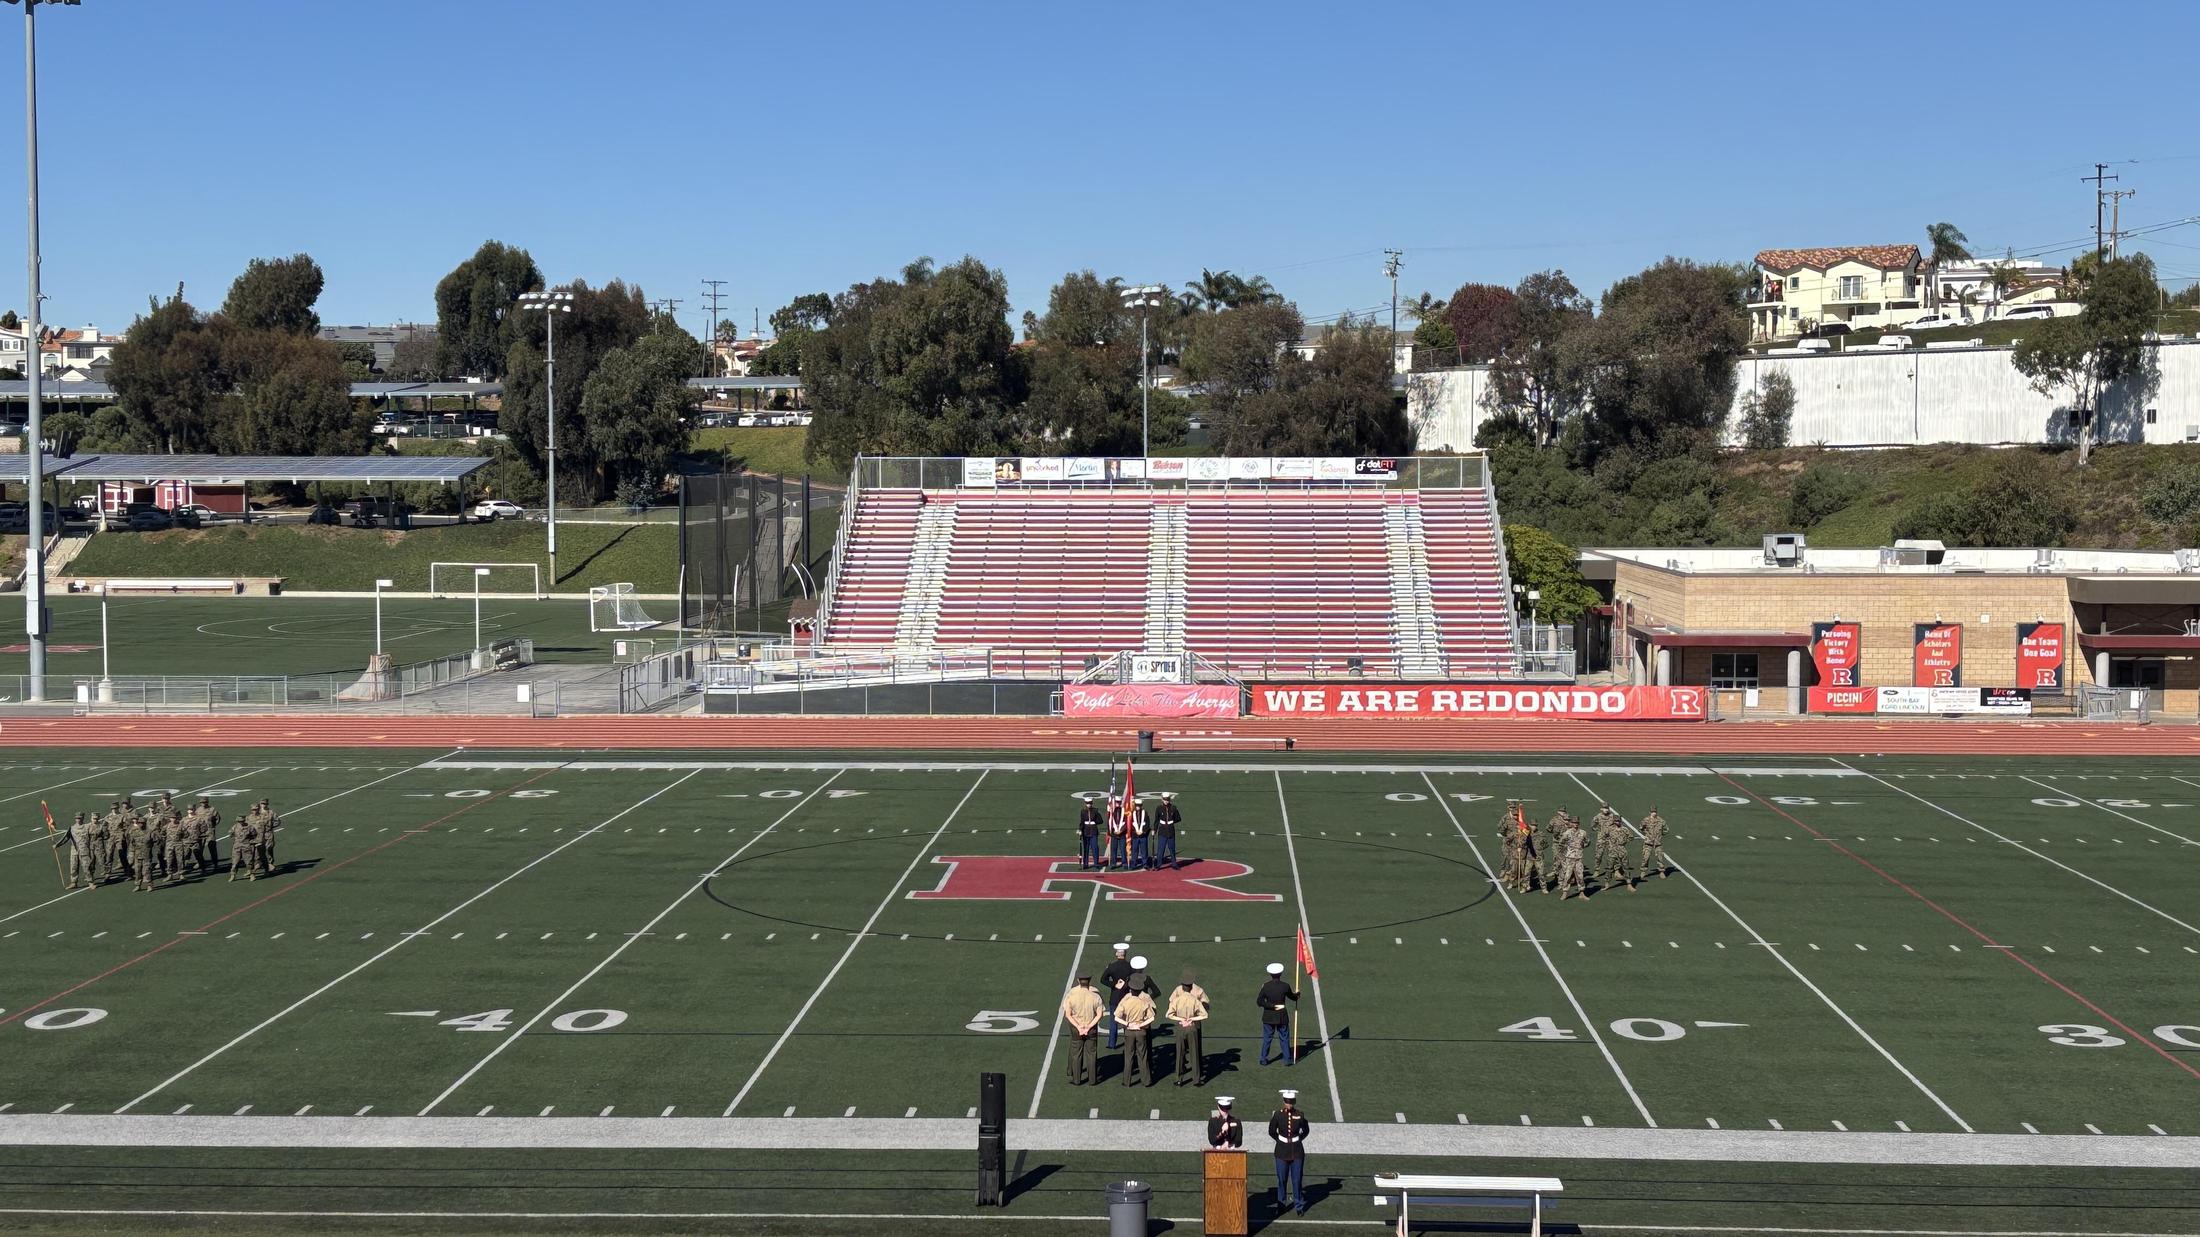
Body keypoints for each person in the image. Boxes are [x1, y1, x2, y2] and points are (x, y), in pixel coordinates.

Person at [1268, 1089, 1311, 1216]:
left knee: (1297, 1180)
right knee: (1282, 1180)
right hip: (1281, 1152)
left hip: (1297, 1152)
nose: (1289, 1104)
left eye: (1291, 1102)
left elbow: (1306, 1130)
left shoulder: (1300, 1114)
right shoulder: (1277, 1115)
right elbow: (1271, 1131)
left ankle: (1298, 1205)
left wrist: (1298, 1140)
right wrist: (1280, 1141)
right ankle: (1281, 1205)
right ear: (1283, 1102)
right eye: (1287, 1102)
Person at [1115, 961, 1158, 1087]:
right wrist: (1142, 1024)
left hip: (1129, 1031)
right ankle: (1146, 1080)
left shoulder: (1126, 999)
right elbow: (1153, 1015)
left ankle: (1126, 1080)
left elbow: (1116, 1016)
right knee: (1143, 1056)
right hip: (1141, 1030)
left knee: (1128, 1056)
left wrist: (1127, 1024)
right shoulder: (1145, 999)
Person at [1059, 973, 1105, 1086]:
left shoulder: (1072, 996)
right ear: (1089, 982)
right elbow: (1099, 1015)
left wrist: (1079, 1026)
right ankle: (1093, 1080)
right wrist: (1089, 1026)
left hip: (1076, 1028)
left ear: (1079, 981)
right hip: (1091, 1028)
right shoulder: (1095, 996)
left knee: (1076, 1054)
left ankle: (1076, 1079)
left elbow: (1068, 1014)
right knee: (1091, 1054)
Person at [1167, 968, 1210, 1086]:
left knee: (1180, 1052)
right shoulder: (1198, 991)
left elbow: (1171, 1002)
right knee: (1195, 1051)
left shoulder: (1177, 991)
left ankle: (1179, 1078)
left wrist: (1181, 1018)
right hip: (1194, 1024)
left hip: (1181, 1024)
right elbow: (1206, 1005)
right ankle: (1197, 1078)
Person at [1256, 962, 1296, 1066]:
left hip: (1268, 1017)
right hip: (1282, 1016)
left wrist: (1271, 1006)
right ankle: (1287, 1059)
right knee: (1284, 1037)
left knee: (1267, 1038)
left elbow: (1259, 1002)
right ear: (1281, 973)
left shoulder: (1266, 986)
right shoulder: (1285, 986)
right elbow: (1293, 997)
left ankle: (1263, 1059)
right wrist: (1297, 994)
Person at [1101, 943, 1134, 1049]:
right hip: (1127, 996)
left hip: (1115, 996)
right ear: (1125, 954)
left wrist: (1114, 984)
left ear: (1117, 954)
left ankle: (1112, 1043)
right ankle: (1129, 1042)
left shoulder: (1112, 966)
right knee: (1126, 1020)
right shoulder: (1130, 966)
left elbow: (1103, 979)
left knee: (1113, 1021)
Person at [56, 812, 98, 890]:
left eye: (79, 818)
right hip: (74, 851)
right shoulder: (72, 828)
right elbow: (66, 838)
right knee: (73, 867)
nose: (78, 820)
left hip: (84, 850)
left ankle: (91, 882)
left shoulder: (87, 827)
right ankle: (73, 882)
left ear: (82, 818)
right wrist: (57, 845)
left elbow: (93, 837)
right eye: (77, 818)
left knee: (86, 867)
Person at [1593, 805, 1631, 892]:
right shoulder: (1597, 817)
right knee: (1599, 855)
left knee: (1614, 856)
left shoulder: (1613, 817)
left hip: (1612, 840)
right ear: (1601, 808)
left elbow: (1620, 826)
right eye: (1604, 808)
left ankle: (1617, 871)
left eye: (1607, 808)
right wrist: (1600, 831)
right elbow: (1593, 826)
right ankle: (1597, 869)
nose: (1606, 810)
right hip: (1601, 839)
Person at [1556, 814, 1588, 900]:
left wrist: (1583, 845)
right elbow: (1560, 843)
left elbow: (1587, 842)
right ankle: (1565, 892)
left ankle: (1582, 892)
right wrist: (1564, 853)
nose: (1575, 824)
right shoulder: (1567, 833)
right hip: (1569, 857)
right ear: (1571, 823)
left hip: (1578, 858)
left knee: (1580, 876)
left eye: (1577, 823)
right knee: (1567, 876)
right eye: (1574, 823)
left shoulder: (1583, 833)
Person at [126, 810, 156, 893]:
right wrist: (131, 854)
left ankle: (150, 885)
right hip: (137, 855)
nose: (140, 824)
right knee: (137, 871)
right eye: (139, 823)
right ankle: (138, 885)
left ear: (145, 823)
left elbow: (156, 841)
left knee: (147, 870)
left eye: (142, 823)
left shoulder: (150, 832)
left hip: (146, 855)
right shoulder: (134, 832)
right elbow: (131, 843)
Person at [1639, 809, 1671, 880]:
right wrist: (1646, 834)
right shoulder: (1645, 820)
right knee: (1646, 857)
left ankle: (1661, 871)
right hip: (1648, 842)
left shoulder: (1661, 821)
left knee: (1660, 857)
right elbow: (1641, 828)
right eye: (1652, 812)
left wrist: (1660, 835)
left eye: (1655, 812)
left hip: (1657, 842)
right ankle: (1643, 871)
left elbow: (1666, 830)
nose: (1654, 813)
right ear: (1650, 812)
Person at [1153, 792, 1181, 869]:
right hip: (1162, 831)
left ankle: (1174, 864)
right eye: (1165, 799)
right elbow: (1156, 820)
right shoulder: (1159, 808)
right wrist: (1154, 830)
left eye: (1167, 799)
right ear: (1162, 799)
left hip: (1171, 831)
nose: (1166, 801)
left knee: (1172, 848)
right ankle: (1158, 865)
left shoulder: (1173, 808)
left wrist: (1171, 822)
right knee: (1160, 849)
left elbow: (1178, 818)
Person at [229, 813, 259, 882]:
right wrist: (236, 841)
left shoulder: (250, 827)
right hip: (237, 847)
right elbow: (231, 834)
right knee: (235, 862)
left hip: (246, 846)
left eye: (241, 821)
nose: (240, 822)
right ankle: (233, 875)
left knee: (249, 862)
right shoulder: (235, 827)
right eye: (239, 821)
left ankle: (252, 875)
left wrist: (250, 842)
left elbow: (254, 835)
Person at [1077, 798, 1103, 870]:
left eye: (1090, 803)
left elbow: (1101, 820)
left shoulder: (1095, 811)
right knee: (1086, 848)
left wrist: (1094, 822)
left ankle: (1096, 863)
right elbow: (1082, 822)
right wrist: (1080, 830)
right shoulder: (1083, 811)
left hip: (1093, 831)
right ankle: (1085, 864)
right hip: (1085, 831)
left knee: (1095, 848)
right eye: (1087, 803)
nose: (1089, 805)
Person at [1106, 797, 1129, 870]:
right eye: (1117, 802)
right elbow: (1109, 822)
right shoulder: (1111, 811)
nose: (1118, 803)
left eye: (1119, 802)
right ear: (1114, 802)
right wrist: (1111, 832)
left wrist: (1121, 830)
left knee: (1123, 849)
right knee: (1114, 849)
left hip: (1122, 833)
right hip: (1114, 833)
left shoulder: (1123, 810)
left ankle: (1124, 862)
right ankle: (1113, 863)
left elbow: (1126, 822)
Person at [1127, 799, 1151, 870]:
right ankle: (1134, 863)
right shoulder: (1132, 813)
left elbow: (1147, 823)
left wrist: (1143, 831)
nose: (1138, 807)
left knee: (1144, 850)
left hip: (1143, 835)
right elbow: (1130, 825)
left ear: (1141, 806)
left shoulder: (1145, 813)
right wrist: (1135, 831)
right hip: (1135, 835)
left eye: (1139, 806)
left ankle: (1145, 863)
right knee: (1134, 850)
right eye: (1137, 805)